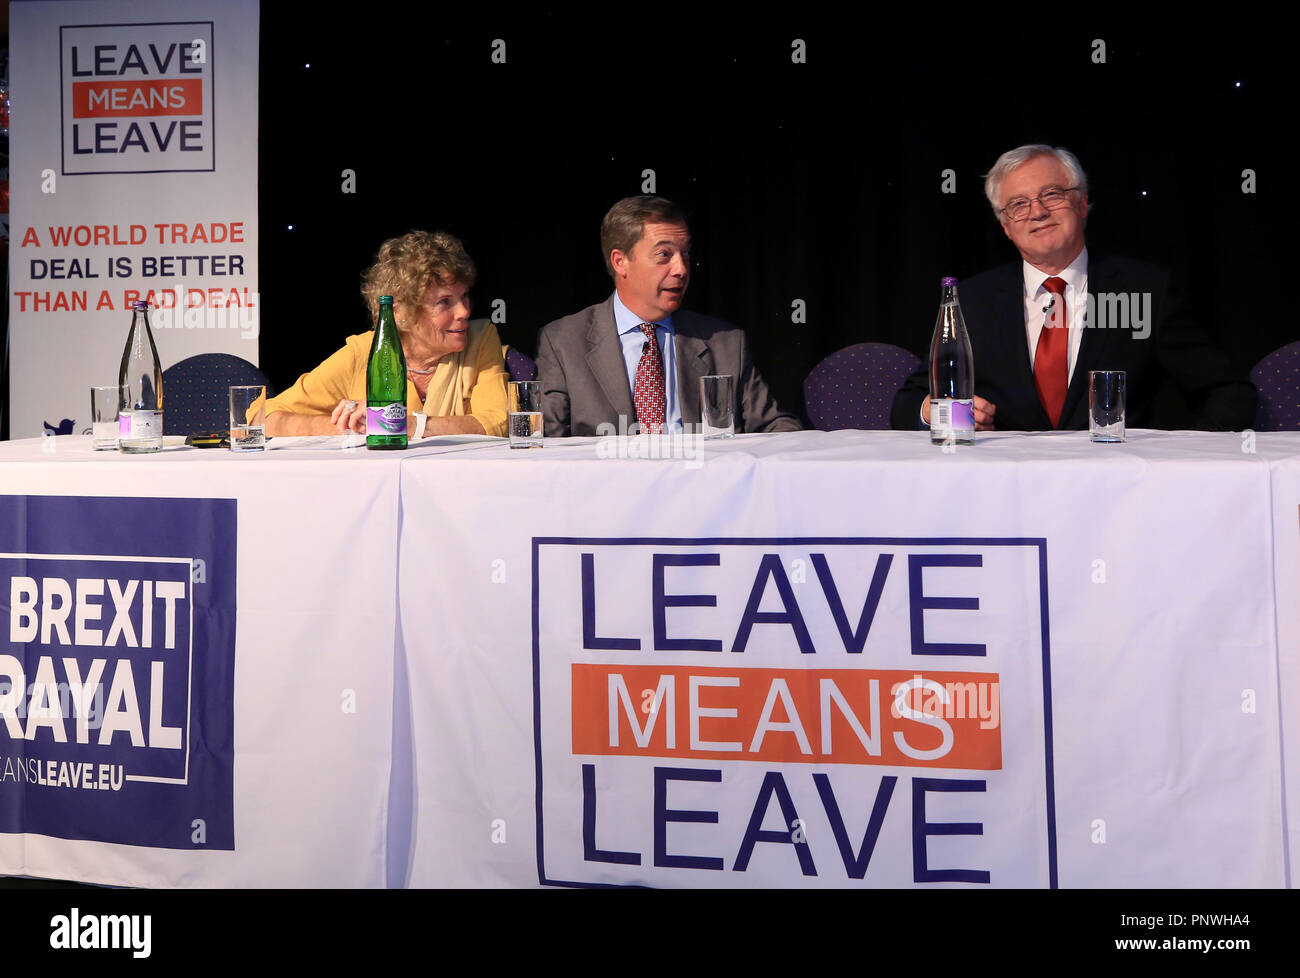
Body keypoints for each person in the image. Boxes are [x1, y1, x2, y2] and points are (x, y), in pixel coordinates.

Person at [890, 144, 1256, 432]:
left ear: (1081, 203)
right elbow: (909, 404)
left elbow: (1230, 395)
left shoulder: (1144, 292)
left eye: (1051, 194)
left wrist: (1175, 468)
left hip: (1118, 496)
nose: (1037, 212)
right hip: (1005, 495)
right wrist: (938, 412)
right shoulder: (973, 300)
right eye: (1018, 205)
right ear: (1005, 225)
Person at [536, 195, 801, 436]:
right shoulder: (564, 341)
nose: (681, 269)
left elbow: (774, 427)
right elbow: (548, 442)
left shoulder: (725, 342)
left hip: (702, 481)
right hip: (609, 484)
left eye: (685, 253)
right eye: (664, 255)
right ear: (620, 262)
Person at [262, 230, 508, 438]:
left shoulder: (481, 338)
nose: (464, 311)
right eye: (445, 302)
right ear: (401, 312)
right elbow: (263, 417)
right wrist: (355, 425)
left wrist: (404, 424)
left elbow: (497, 423)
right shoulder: (364, 353)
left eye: (464, 296)